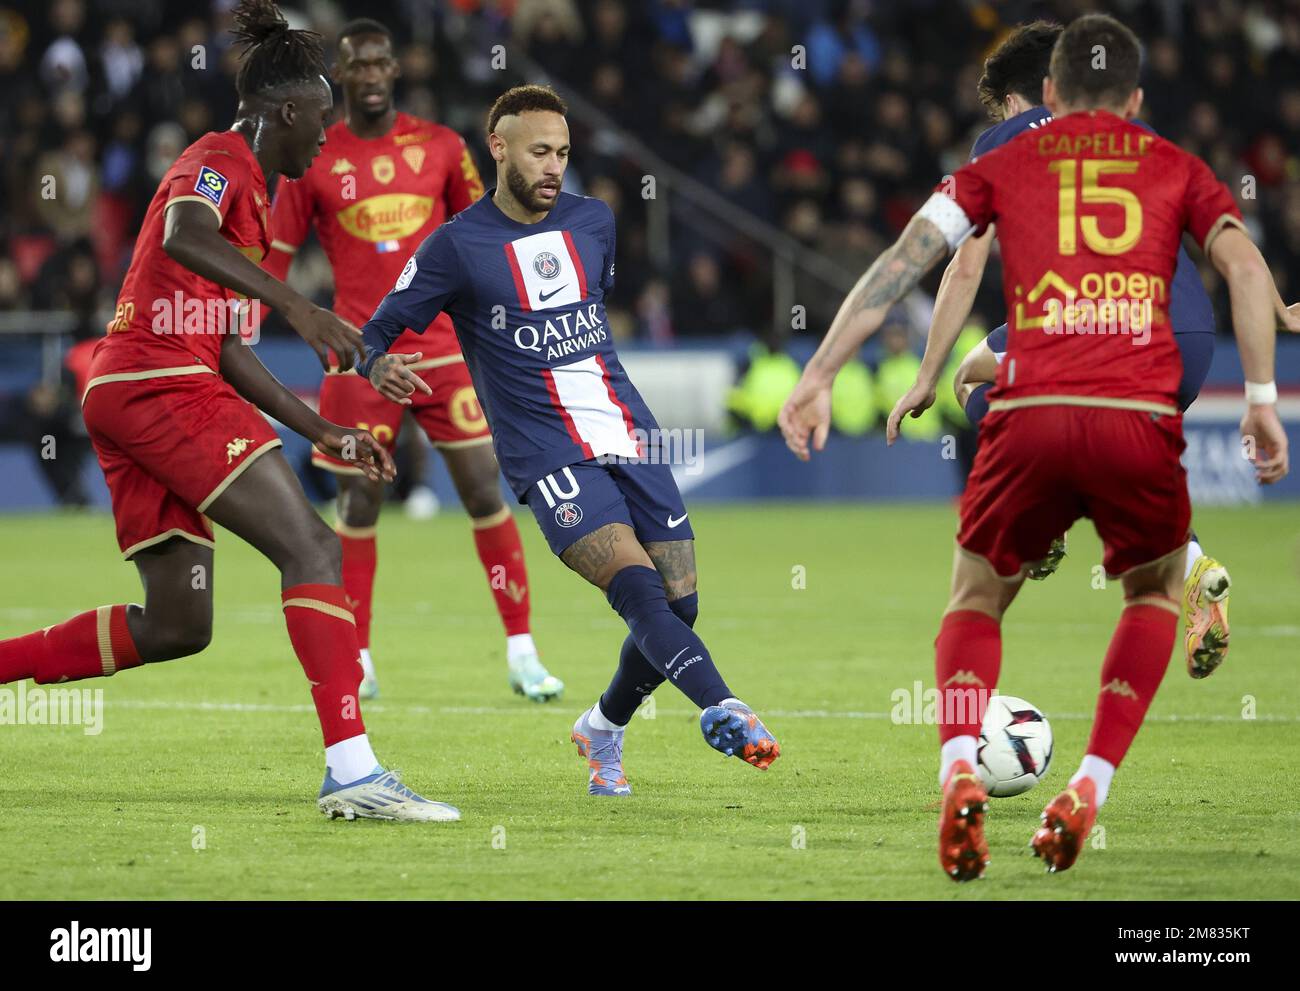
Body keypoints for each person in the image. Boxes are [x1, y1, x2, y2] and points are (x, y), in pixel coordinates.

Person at [779, 14, 1289, 877]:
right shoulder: (1175, 163)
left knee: (975, 596)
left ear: (1049, 94)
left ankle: (954, 770)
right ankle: (1088, 782)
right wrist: (1264, 396)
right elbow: (1242, 266)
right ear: (1134, 100)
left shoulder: (1000, 159)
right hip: (1138, 405)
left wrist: (821, 370)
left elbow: (914, 257)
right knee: (1155, 590)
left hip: (1036, 400)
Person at [0, 0, 458, 823]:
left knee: (180, 621)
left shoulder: (250, 209)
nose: (326, 136)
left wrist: (322, 428)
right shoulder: (218, 161)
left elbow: (231, 350)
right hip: (159, 382)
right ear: (285, 112)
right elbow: (181, 230)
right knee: (315, 546)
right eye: (320, 120)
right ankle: (352, 768)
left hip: (141, 386)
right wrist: (302, 306)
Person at [360, 84, 780, 797]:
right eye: (539, 152)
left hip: (629, 432)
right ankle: (724, 705)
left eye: (562, 152)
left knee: (680, 607)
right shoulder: (456, 245)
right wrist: (377, 362)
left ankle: (602, 726)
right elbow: (378, 327)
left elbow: (593, 315)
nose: (554, 166)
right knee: (639, 591)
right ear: (498, 148)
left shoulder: (594, 221)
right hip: (545, 452)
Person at [264, 18, 561, 702]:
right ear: (338, 76)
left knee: (485, 486)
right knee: (359, 498)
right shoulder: (315, 156)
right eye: (356, 65)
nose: (369, 74)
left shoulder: (440, 146)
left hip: (443, 348)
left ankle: (521, 650)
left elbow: (481, 234)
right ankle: (358, 654)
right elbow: (275, 260)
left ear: (396, 69)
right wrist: (287, 319)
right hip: (357, 352)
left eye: (379, 62)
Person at [935, 20, 1236, 673]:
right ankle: (1193, 566)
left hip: (1099, 322)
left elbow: (963, 266)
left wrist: (928, 372)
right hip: (1188, 336)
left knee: (975, 386)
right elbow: (1225, 242)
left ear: (1032, 95)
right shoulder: (1142, 137)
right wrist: (1272, 311)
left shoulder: (1006, 141)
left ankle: (1033, 528)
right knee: (1114, 468)